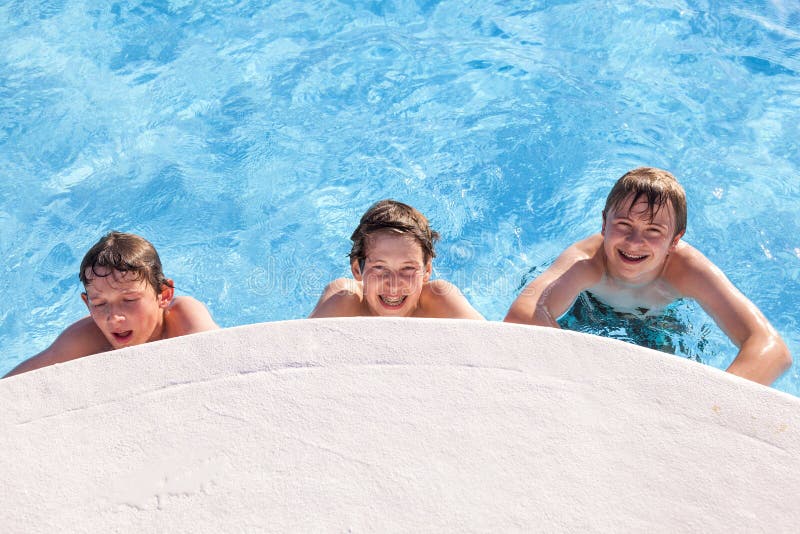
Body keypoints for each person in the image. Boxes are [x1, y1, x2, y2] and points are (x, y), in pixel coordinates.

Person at [504, 167, 791, 386]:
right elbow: (523, 315)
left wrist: (712, 403)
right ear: (604, 223)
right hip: (588, 310)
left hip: (657, 321)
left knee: (667, 374)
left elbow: (771, 348)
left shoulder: (687, 270)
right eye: (623, 224)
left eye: (654, 231)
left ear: (675, 240)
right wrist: (585, 377)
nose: (634, 242)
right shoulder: (587, 262)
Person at [4, 231, 219, 377]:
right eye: (99, 303)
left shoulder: (184, 317)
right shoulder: (87, 337)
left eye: (129, 300)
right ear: (87, 304)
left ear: (164, 294)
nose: (114, 318)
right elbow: (15, 384)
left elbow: (222, 357)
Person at [310, 199, 484, 320]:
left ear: (427, 271)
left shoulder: (440, 302)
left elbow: (491, 344)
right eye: (379, 268)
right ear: (357, 269)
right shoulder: (344, 299)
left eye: (407, 268)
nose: (393, 285)